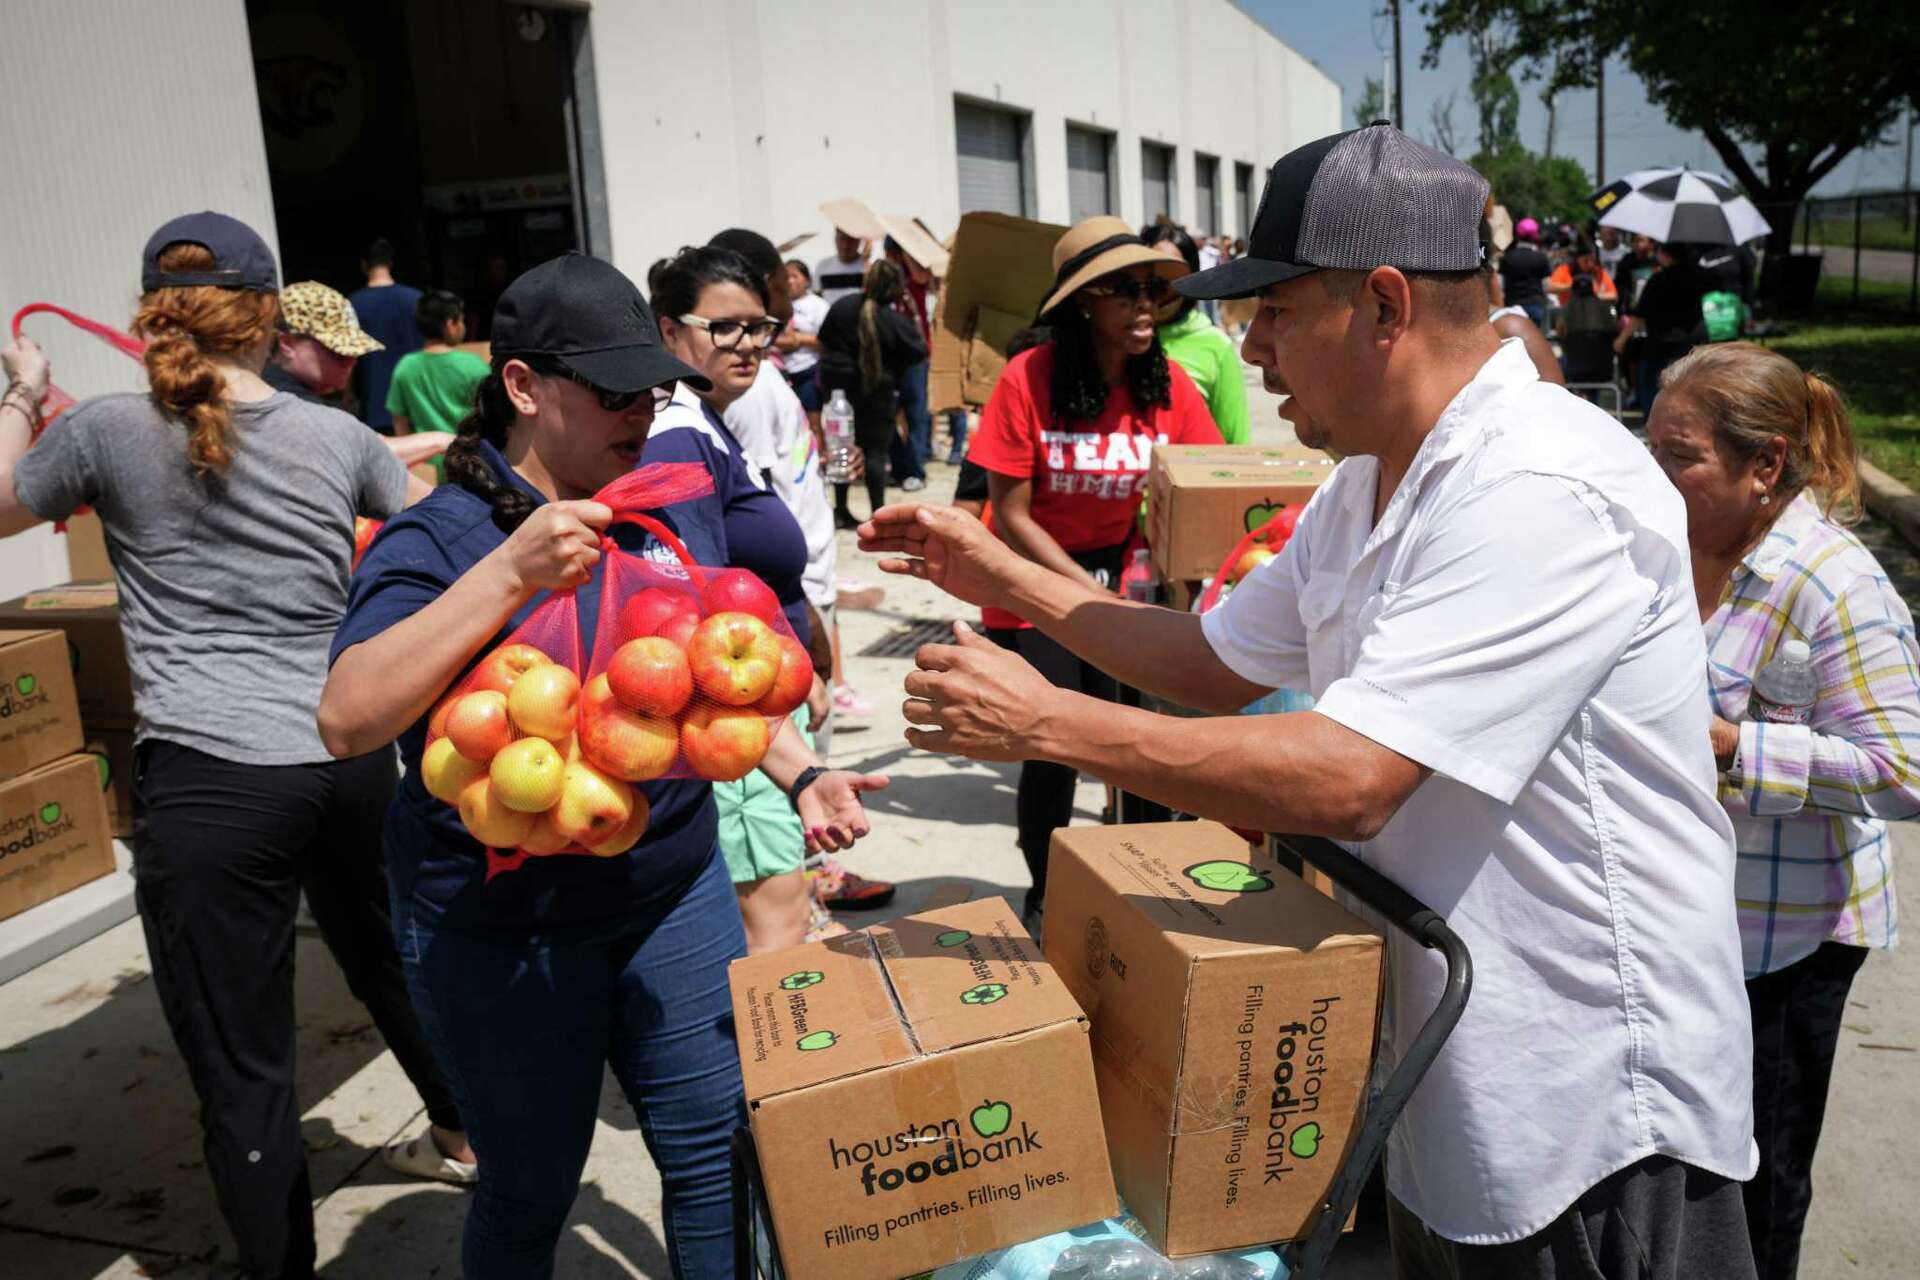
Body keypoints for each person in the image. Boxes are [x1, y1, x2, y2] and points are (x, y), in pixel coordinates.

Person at [863, 125, 1759, 1278]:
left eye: (1276, 311)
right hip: (1462, 1069)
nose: (1253, 345)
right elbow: (1213, 660)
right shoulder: (1371, 483)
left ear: (1383, 305)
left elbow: (1353, 776)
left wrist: (1043, 722)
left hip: (1591, 1111)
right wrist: (998, 574)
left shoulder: (1537, 487)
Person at [320, 251, 884, 1277]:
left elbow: (713, 681)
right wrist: (510, 570)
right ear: (526, 387)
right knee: (531, 1185)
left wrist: (802, 772)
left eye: (654, 389)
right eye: (615, 391)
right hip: (500, 928)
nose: (644, 411)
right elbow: (349, 716)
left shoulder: (660, 505)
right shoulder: (437, 539)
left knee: (719, 1157)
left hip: (670, 888)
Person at [0, 212, 462, 1280]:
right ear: (268, 319)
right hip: (348, 759)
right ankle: (465, 1132)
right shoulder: (340, 438)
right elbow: (433, 540)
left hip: (209, 783)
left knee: (243, 1061)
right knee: (391, 959)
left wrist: (24, 389)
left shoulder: (106, 429)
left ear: (157, 314)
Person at [1647, 342, 1915, 1280]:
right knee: (1692, 1165)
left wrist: (1734, 747)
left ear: (1764, 466)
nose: (1657, 476)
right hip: (1696, 924)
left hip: (1789, 942)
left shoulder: (1835, 585)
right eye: (1651, 449)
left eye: (1680, 457)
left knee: (1763, 1177)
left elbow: (1906, 772)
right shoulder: (1675, 546)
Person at [964, 215, 1222, 926]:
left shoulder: (1165, 384)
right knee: (1053, 741)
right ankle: (1048, 894)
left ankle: (1130, 886)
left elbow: (1206, 479)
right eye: (1125, 292)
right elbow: (1010, 514)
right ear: (1084, 302)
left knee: (1135, 735)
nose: (1146, 306)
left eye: (1152, 290)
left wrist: (1186, 575)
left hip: (1124, 574)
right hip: (1032, 580)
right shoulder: (1028, 378)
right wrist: (1083, 594)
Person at [649, 242, 892, 952]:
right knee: (774, 933)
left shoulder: (708, 421)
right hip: (738, 728)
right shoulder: (675, 440)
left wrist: (807, 648)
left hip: (762, 715)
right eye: (723, 327)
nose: (749, 344)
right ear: (668, 331)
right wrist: (781, 693)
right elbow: (693, 605)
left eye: (759, 326)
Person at [818, 258, 926, 527]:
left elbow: (823, 341)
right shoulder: (893, 319)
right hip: (877, 392)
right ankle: (878, 514)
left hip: (839, 393)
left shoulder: (842, 307)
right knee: (876, 453)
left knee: (842, 448)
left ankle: (840, 509)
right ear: (895, 288)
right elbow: (919, 350)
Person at [1142, 222, 1251, 442]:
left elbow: (1235, 440)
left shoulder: (1214, 345)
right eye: (1151, 276)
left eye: (1172, 277)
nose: (1160, 291)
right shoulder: (1117, 340)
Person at [387, 288, 490, 481]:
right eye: (461, 320)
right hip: (471, 465)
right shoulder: (473, 366)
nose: (463, 326)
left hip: (427, 467)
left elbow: (400, 421)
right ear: (450, 324)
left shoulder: (405, 366)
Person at [1619, 241, 1706, 414]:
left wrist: (1622, 338)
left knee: (1651, 383)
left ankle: (1652, 419)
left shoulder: (1658, 279)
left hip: (1659, 341)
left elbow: (1639, 314)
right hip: (1690, 340)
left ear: (1665, 255)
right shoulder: (1699, 277)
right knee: (1687, 383)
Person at [347, 237, 423, 434]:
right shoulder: (416, 299)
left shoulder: (351, 304)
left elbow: (347, 356)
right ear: (390, 263)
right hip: (415, 404)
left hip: (373, 405)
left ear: (363, 265)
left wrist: (347, 395)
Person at [881, 236, 937, 493]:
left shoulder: (913, 279)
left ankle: (915, 470)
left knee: (916, 416)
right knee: (888, 415)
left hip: (915, 359)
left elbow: (924, 275)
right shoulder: (884, 281)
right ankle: (900, 465)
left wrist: (906, 251)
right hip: (889, 359)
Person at [777, 259, 828, 415]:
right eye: (786, 277)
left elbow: (826, 341)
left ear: (807, 280)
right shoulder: (777, 304)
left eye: (795, 276)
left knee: (813, 419)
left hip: (808, 372)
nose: (790, 281)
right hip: (782, 372)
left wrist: (798, 339)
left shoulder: (818, 305)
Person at [1556, 274, 1619, 391]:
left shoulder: (1569, 306)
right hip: (1602, 367)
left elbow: (1559, 329)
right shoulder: (1604, 305)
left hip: (1574, 366)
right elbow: (1615, 328)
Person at [1497, 216, 1551, 329]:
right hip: (1536, 305)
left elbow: (1500, 285)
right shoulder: (1541, 258)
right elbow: (1546, 286)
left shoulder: (1507, 258)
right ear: (1535, 235)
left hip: (1513, 306)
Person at [1546, 238, 1618, 303]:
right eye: (1585, 260)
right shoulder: (1565, 270)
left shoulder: (1598, 272)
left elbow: (1613, 295)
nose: (1590, 264)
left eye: (1593, 260)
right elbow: (1550, 288)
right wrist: (1573, 287)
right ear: (1577, 259)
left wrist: (1594, 296)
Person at [814, 226, 868, 305]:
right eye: (842, 239)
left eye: (850, 240)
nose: (845, 245)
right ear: (835, 240)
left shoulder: (867, 268)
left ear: (859, 241)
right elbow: (816, 296)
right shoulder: (823, 267)